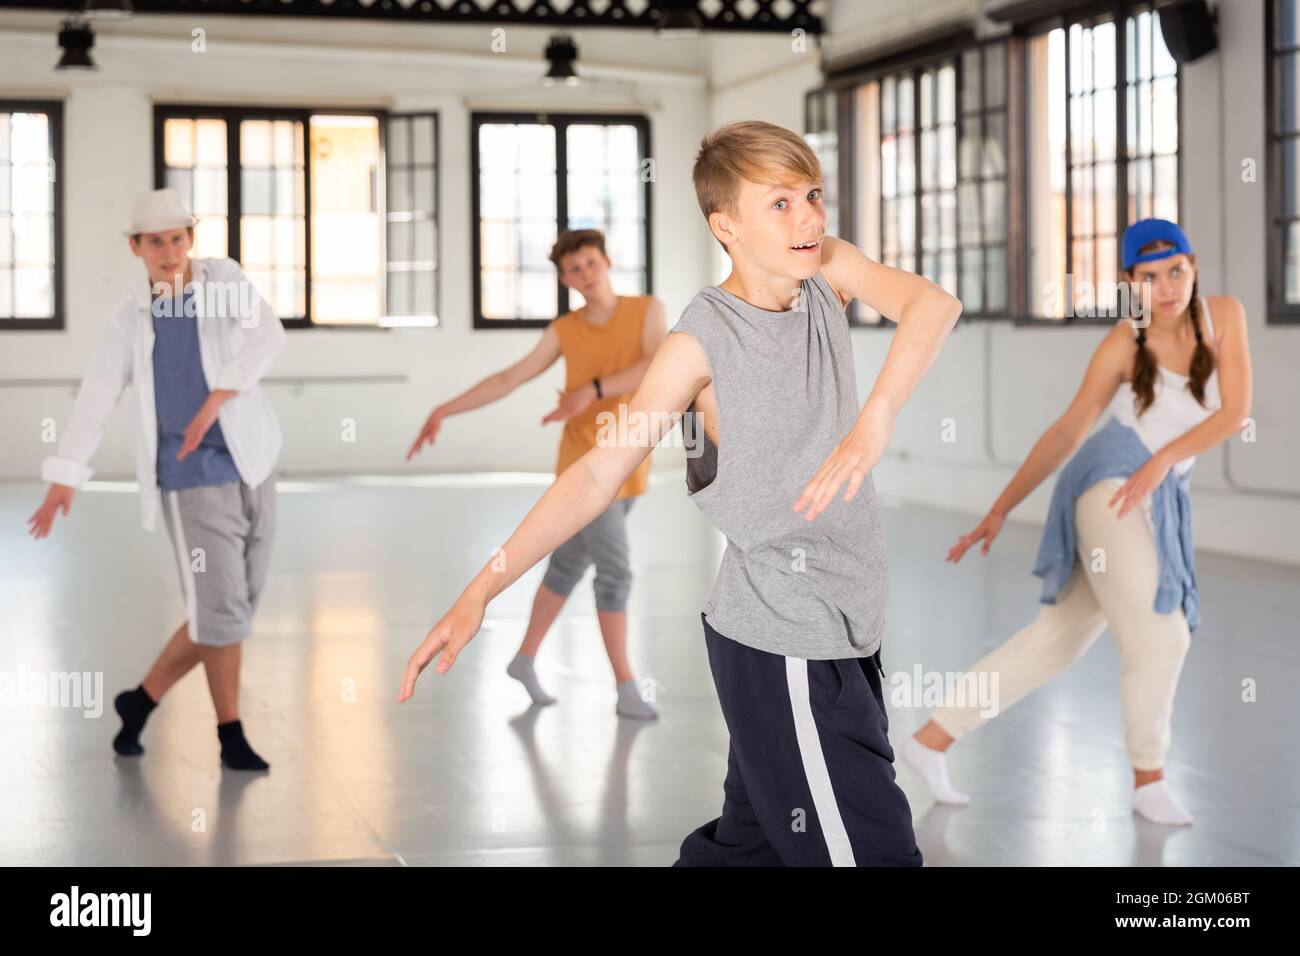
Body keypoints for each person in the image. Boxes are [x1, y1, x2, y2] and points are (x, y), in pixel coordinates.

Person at [398, 120, 961, 866]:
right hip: (784, 638)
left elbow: (933, 305)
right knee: (873, 853)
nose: (811, 218)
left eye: (813, 195)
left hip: (847, 617)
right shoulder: (700, 343)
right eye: (781, 204)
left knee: (749, 849)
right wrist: (480, 590)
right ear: (725, 226)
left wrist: (876, 416)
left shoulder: (829, 269)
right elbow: (597, 473)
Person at [902, 218, 1252, 827]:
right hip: (1108, 488)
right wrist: (1000, 509)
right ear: (1129, 283)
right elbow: (1066, 432)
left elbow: (1237, 412)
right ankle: (1149, 779)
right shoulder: (1123, 344)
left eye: (1178, 270)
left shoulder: (1225, 315)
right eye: (1150, 277)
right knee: (1162, 634)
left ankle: (929, 740)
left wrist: (1166, 459)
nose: (1168, 287)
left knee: (1057, 641)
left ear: (1193, 266)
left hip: (1155, 488)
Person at [27, 187, 286, 771]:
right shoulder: (129, 318)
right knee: (221, 610)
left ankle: (139, 701)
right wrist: (66, 474)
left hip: (252, 459)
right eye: (154, 241)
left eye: (176, 238)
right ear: (135, 247)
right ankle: (230, 735)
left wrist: (215, 401)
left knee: (231, 609)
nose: (168, 251)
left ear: (190, 238)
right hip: (189, 475)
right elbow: (98, 392)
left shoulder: (223, 282)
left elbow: (266, 334)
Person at [407, 228, 666, 718]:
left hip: (631, 461)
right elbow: (510, 377)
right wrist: (446, 408)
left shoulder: (647, 311)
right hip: (585, 469)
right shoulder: (565, 331)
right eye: (573, 270)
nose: (585, 275)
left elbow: (655, 365)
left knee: (568, 564)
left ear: (607, 261)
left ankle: (524, 659)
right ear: (565, 279)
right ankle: (626, 686)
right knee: (615, 572)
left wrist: (592, 388)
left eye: (590, 263)